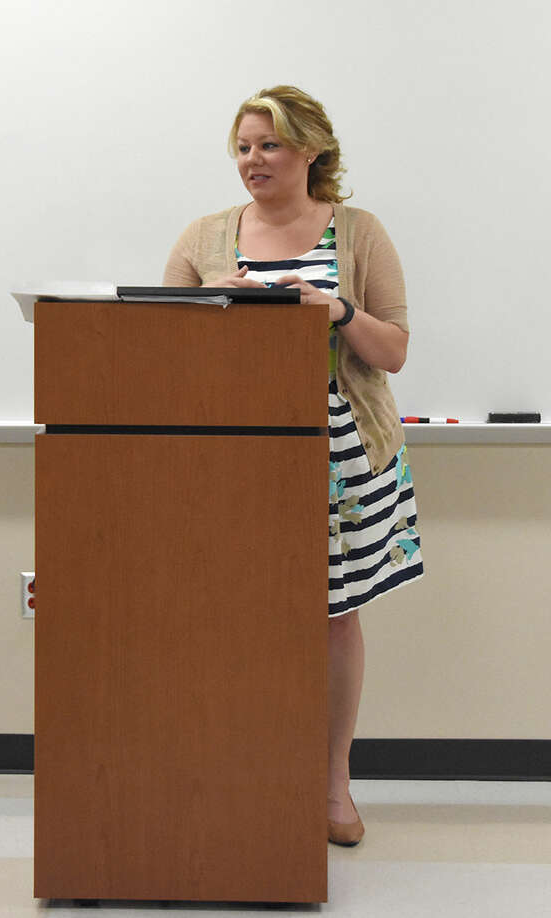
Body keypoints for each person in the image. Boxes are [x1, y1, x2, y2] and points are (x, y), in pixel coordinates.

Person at [164, 86, 424, 848]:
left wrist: (334, 310)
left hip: (341, 454)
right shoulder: (205, 237)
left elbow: (395, 352)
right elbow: (154, 356)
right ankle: (242, 770)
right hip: (227, 456)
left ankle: (331, 782)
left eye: (269, 145)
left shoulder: (359, 232)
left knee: (334, 618)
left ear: (311, 150)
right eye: (243, 147)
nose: (253, 160)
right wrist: (205, 309)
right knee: (230, 617)